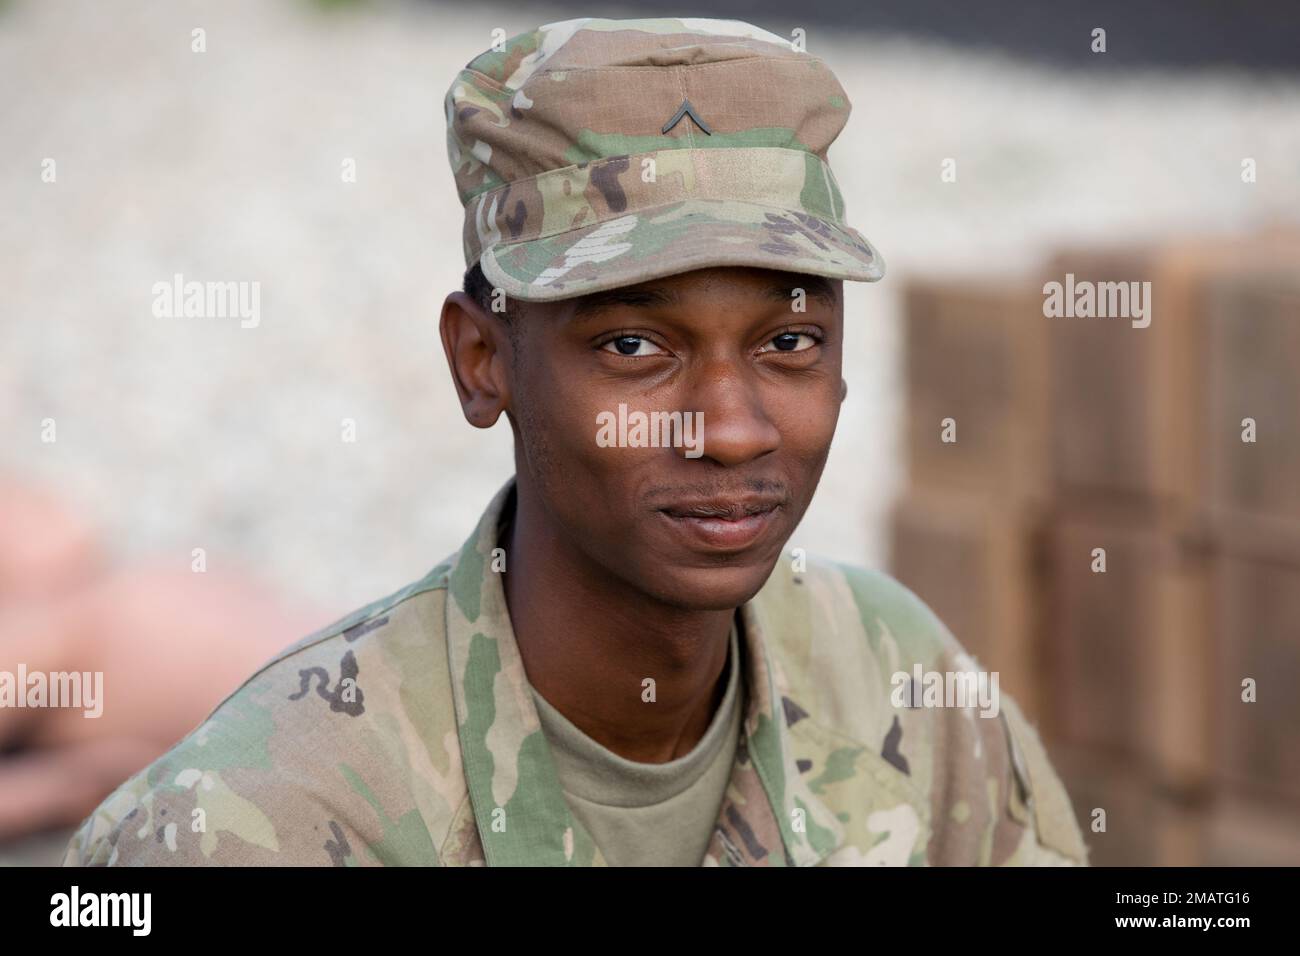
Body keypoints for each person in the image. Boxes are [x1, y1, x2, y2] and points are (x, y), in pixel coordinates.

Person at [64, 16, 1088, 867]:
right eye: (634, 345)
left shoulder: (888, 670)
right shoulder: (262, 817)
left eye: (788, 341)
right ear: (482, 361)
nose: (731, 429)